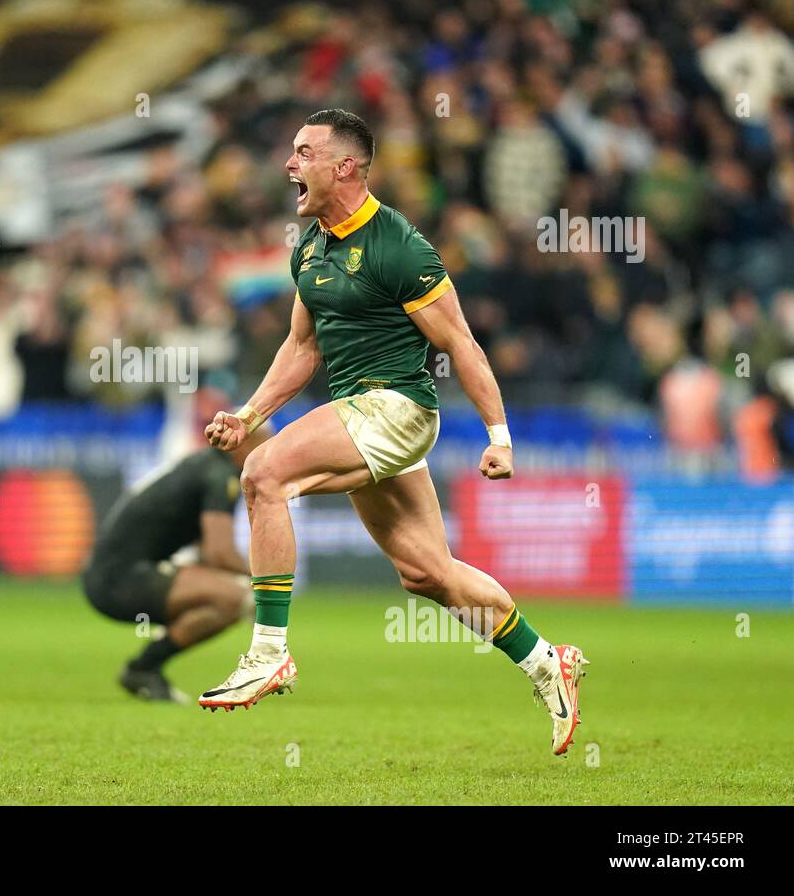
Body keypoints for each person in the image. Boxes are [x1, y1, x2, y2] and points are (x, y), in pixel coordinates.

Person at [199, 109, 587, 756]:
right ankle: (547, 661)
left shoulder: (399, 245)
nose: (289, 165)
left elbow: (460, 343)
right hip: (361, 415)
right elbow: (301, 348)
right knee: (427, 574)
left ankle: (269, 653)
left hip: (397, 409)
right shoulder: (311, 248)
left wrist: (499, 436)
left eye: (303, 152)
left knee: (263, 474)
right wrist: (247, 415)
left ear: (344, 166)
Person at [82, 428, 269, 703]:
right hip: (119, 579)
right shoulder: (221, 475)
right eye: (265, 446)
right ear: (245, 442)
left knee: (236, 594)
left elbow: (207, 552)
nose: (268, 455)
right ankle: (143, 668)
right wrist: (267, 582)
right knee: (238, 598)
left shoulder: (205, 465)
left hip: (113, 573)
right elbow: (220, 553)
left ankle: (145, 667)